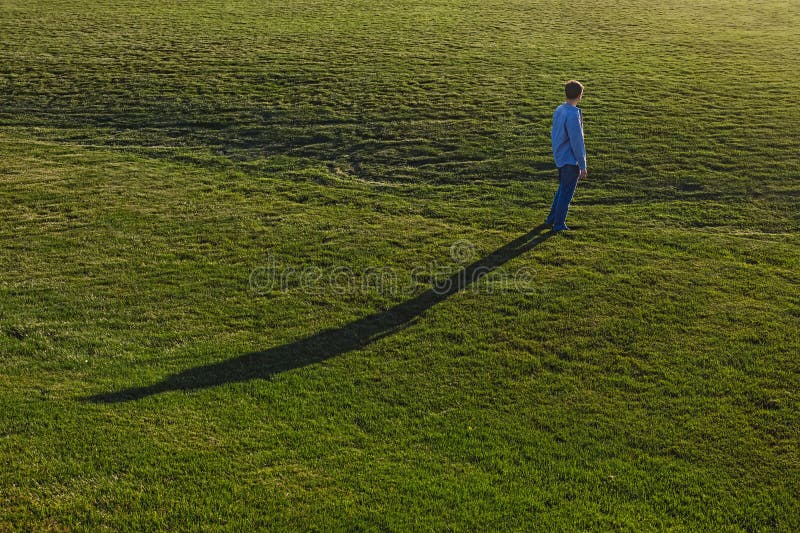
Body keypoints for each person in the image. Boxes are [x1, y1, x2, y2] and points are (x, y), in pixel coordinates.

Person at [546, 80, 587, 231]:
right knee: (566, 192)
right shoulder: (572, 114)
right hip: (570, 159)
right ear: (580, 95)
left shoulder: (560, 109)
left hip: (560, 156)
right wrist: (582, 165)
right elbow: (577, 141)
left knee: (562, 189)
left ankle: (551, 219)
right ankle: (558, 224)